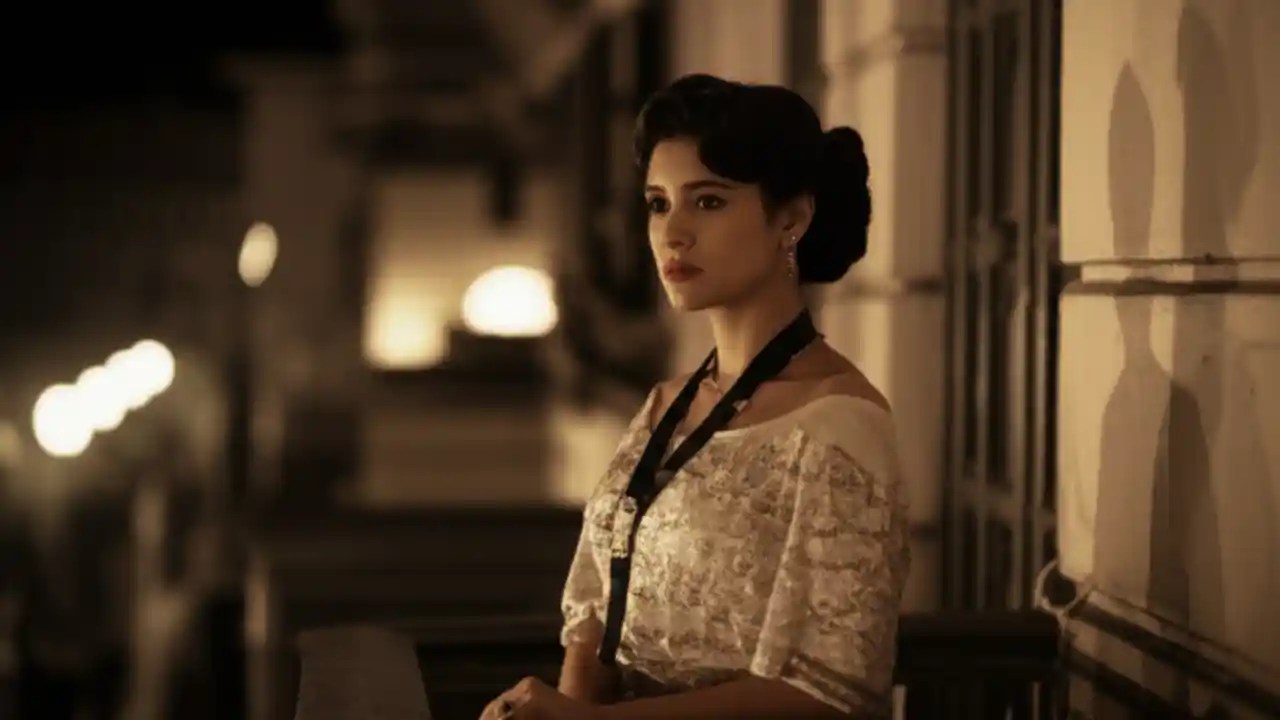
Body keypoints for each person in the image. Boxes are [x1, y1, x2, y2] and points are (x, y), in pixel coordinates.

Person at [482, 73, 911, 720]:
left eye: (708, 202)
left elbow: (830, 691)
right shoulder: (666, 405)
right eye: (658, 204)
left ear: (790, 220)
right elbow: (595, 617)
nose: (673, 233)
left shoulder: (839, 425)